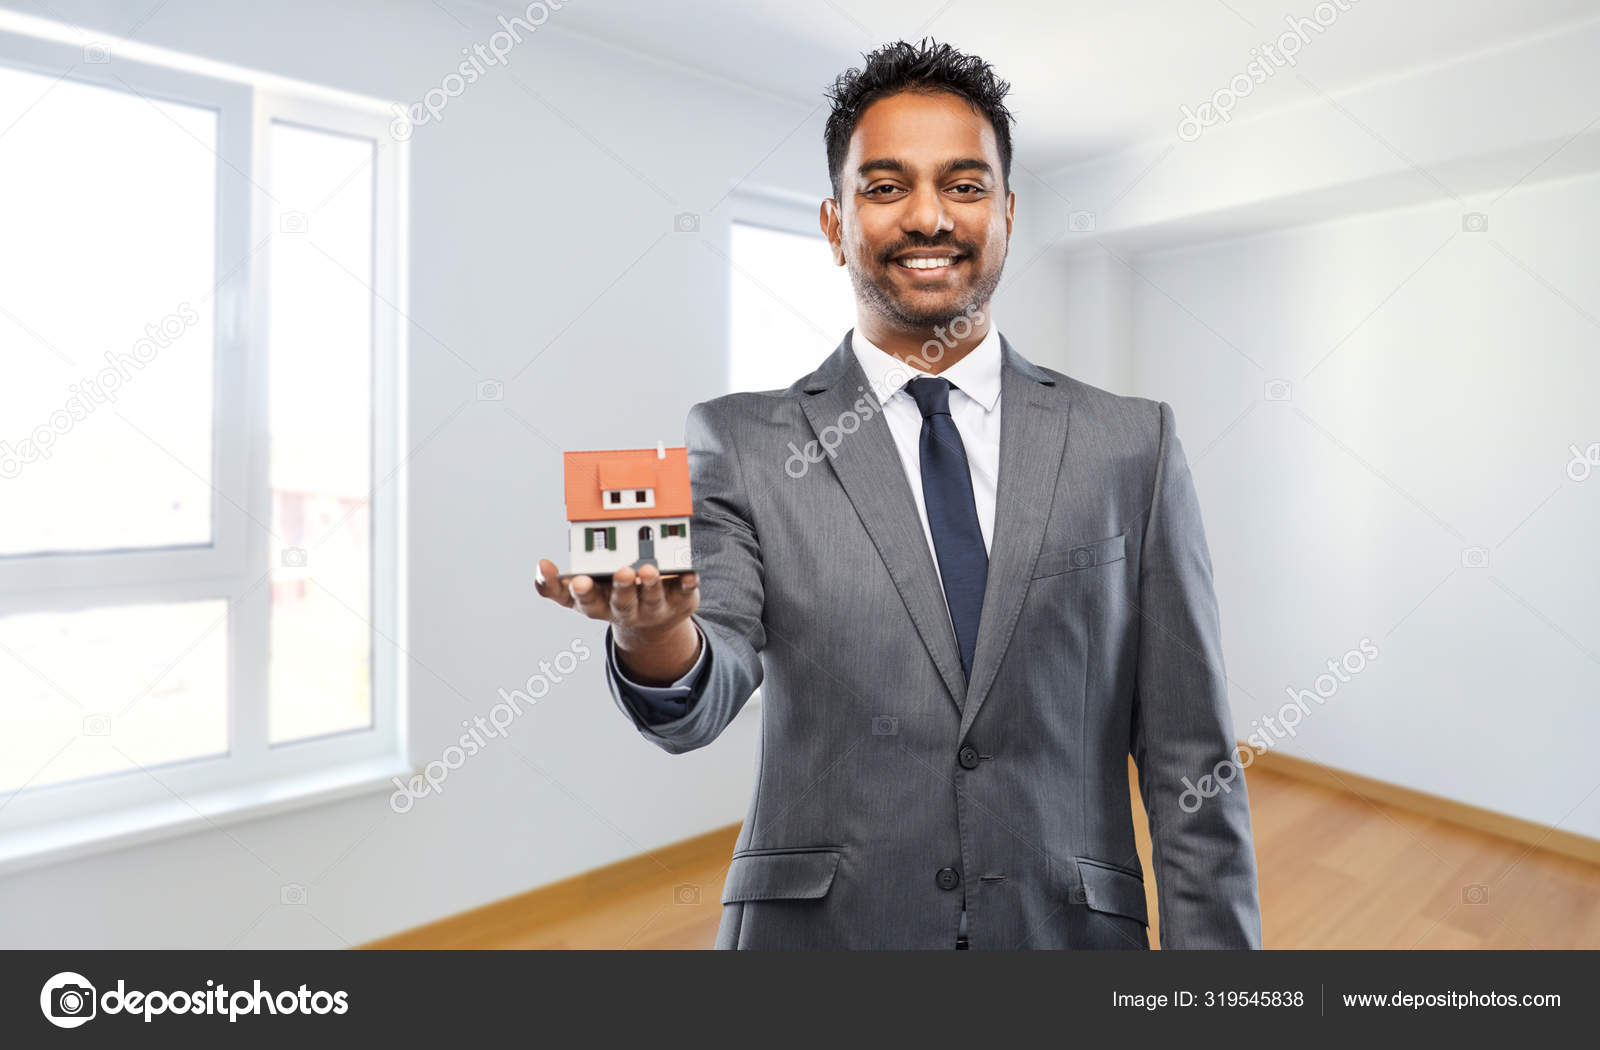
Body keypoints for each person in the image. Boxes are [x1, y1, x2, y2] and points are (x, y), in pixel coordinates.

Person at [536, 38, 1260, 950]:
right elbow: (707, 684)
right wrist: (653, 636)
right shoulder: (743, 441)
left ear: (1006, 213)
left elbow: (1192, 760)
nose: (928, 216)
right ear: (837, 224)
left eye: (963, 185)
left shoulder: (1132, 443)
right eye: (885, 187)